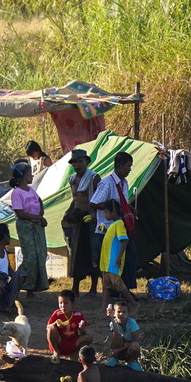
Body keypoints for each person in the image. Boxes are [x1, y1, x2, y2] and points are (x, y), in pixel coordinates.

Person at [90, 150, 139, 313]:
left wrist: (129, 208)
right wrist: (111, 208)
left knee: (126, 260)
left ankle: (122, 292)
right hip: (106, 230)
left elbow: (122, 202)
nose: (129, 169)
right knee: (110, 267)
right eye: (127, 166)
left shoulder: (124, 183)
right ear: (119, 165)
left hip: (120, 228)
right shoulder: (107, 183)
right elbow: (94, 202)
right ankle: (118, 294)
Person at [63, 149, 102, 298]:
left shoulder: (93, 178)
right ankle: (75, 287)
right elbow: (75, 200)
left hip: (91, 219)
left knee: (93, 252)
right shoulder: (73, 179)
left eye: (80, 161)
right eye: (75, 162)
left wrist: (95, 215)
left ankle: (93, 288)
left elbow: (99, 198)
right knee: (77, 253)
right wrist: (69, 213)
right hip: (79, 219)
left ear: (86, 162)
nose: (77, 165)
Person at [9, 163, 49, 295]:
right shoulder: (17, 193)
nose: (32, 176)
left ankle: (32, 288)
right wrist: (38, 217)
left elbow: (39, 201)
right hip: (25, 226)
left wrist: (40, 213)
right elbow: (20, 213)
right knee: (30, 258)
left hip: (36, 226)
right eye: (29, 174)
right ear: (23, 177)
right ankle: (17, 284)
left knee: (40, 255)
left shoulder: (31, 190)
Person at [46, 289, 92, 361]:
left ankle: (75, 353)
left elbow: (83, 333)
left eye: (66, 303)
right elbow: (48, 327)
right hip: (60, 341)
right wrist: (55, 324)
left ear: (73, 304)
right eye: (60, 303)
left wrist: (82, 328)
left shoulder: (78, 315)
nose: (62, 306)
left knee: (89, 338)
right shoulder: (57, 314)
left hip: (73, 342)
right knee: (51, 329)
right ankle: (56, 351)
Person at [106, 300, 145, 370]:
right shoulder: (113, 323)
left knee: (135, 345)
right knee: (116, 336)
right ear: (114, 313)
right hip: (119, 344)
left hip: (129, 347)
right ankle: (115, 359)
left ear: (128, 314)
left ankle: (131, 362)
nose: (121, 314)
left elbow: (135, 340)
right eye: (119, 312)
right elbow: (117, 334)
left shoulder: (132, 322)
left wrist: (119, 350)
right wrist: (111, 318)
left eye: (124, 312)